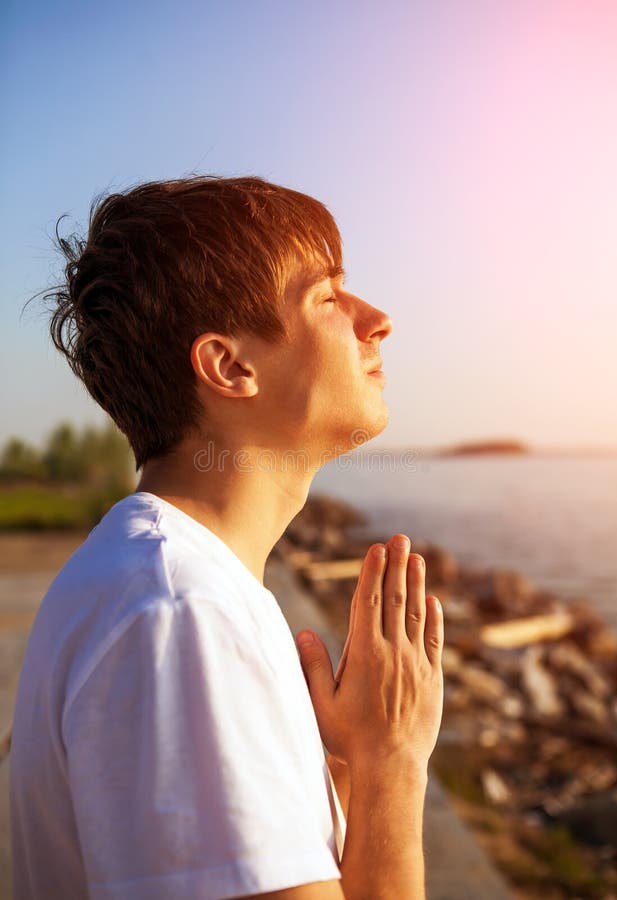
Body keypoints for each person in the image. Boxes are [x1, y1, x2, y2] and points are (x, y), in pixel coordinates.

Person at [10, 176, 444, 900]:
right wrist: (393, 760)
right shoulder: (179, 615)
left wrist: (344, 778)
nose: (378, 320)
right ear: (229, 366)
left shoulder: (175, 585)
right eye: (329, 297)